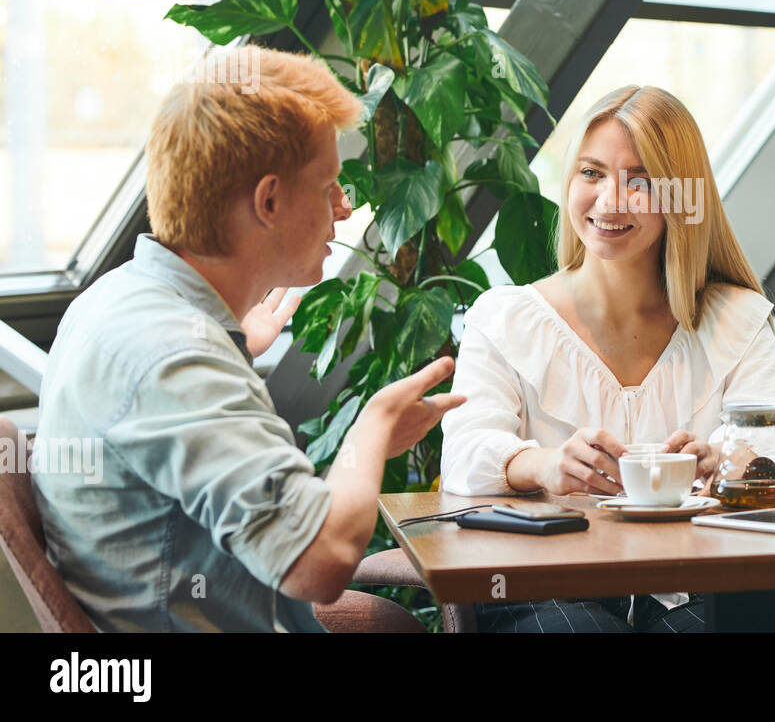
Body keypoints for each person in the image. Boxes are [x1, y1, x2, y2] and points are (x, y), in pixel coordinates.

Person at [32, 46, 464, 632]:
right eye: (329, 185)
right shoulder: (179, 358)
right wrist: (371, 429)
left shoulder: (119, 305)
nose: (345, 207)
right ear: (269, 200)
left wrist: (231, 344)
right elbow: (319, 562)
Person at [440, 85, 775, 632]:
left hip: (699, 585)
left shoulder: (734, 318)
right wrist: (547, 466)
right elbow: (465, 454)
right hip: (548, 585)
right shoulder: (505, 317)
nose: (611, 200)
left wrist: (726, 459)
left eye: (640, 181)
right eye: (591, 173)